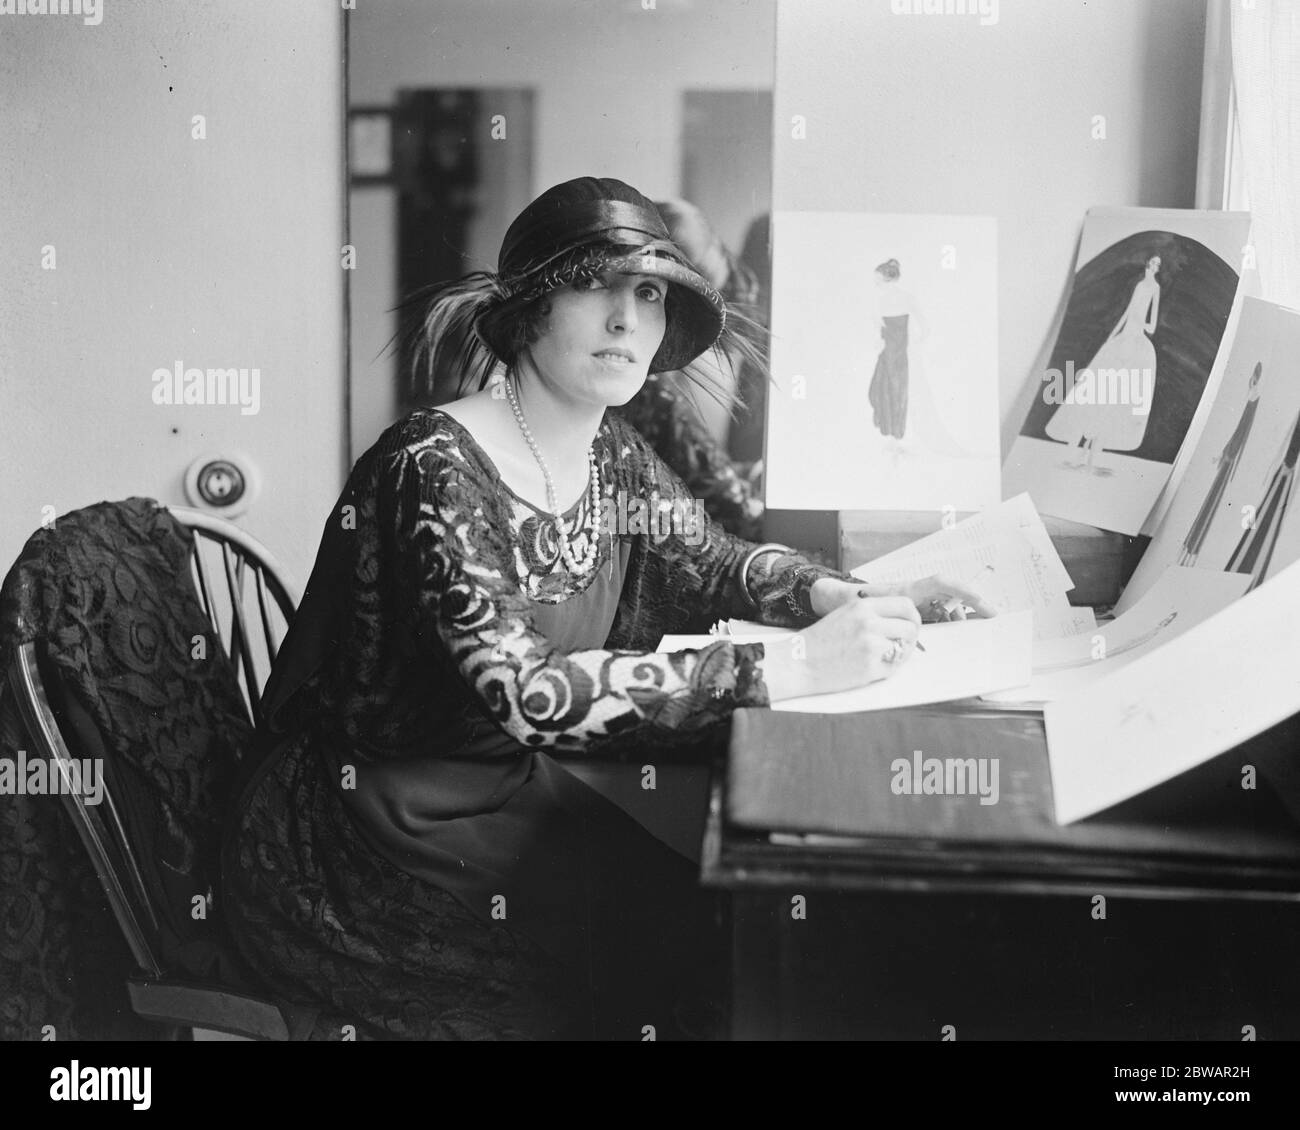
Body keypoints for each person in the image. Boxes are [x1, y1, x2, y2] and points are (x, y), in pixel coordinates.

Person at [222, 176, 992, 1041]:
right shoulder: (432, 467)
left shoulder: (609, 452)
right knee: (629, 983)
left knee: (707, 929)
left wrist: (848, 594)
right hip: (365, 838)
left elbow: (716, 562)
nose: (628, 319)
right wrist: (802, 663)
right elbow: (531, 695)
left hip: (500, 799)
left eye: (651, 294)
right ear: (529, 309)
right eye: (598, 285)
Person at [1046, 254, 1163, 471]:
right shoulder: (1139, 284)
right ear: (1147, 263)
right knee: (1096, 391)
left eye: (1158, 265)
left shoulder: (1154, 287)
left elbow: (1152, 325)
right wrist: (1112, 336)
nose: (1155, 267)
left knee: (1115, 396)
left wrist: (1142, 324)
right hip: (1121, 341)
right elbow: (1128, 311)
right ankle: (1080, 449)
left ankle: (1093, 451)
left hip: (1135, 342)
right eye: (1153, 263)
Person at [1179, 362, 1263, 566]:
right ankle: (1189, 550)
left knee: (1212, 503)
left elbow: (1242, 431)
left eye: (1254, 377)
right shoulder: (1250, 396)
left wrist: (1227, 454)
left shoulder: (1253, 398)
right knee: (1209, 503)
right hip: (1228, 458)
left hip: (1230, 461)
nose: (1250, 381)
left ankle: (1192, 551)